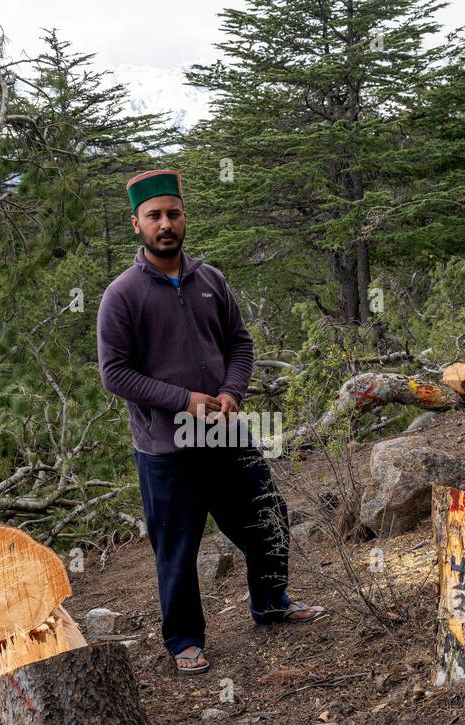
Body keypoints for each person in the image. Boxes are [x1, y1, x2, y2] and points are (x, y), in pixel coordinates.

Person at [96, 168, 324, 675]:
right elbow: (115, 373)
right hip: (165, 446)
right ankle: (184, 640)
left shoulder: (210, 280)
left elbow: (239, 344)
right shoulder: (123, 294)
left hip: (222, 430)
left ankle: (271, 600)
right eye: (153, 216)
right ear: (136, 224)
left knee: (267, 514)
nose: (165, 224)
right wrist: (182, 399)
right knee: (176, 547)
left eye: (172, 213)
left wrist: (230, 391)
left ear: (184, 217)